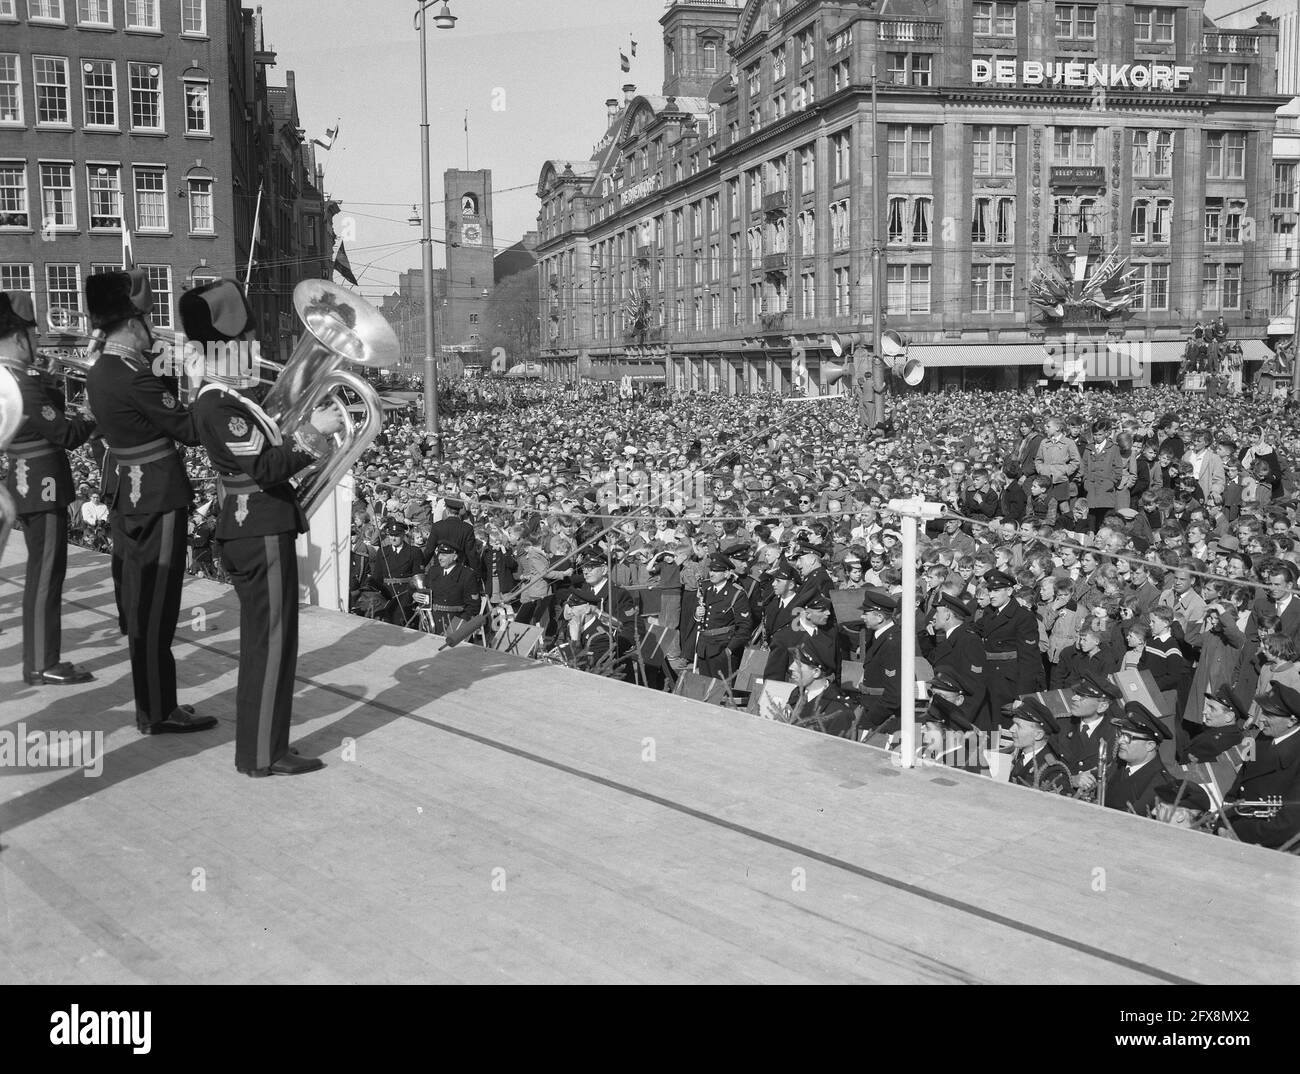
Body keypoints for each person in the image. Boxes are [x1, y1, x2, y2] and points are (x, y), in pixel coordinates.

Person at [181, 278, 341, 776]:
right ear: (223, 349)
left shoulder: (224, 398)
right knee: (271, 644)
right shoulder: (221, 405)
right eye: (247, 343)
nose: (255, 350)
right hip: (259, 530)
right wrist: (317, 432)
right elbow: (267, 468)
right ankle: (263, 754)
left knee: (265, 643)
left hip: (255, 527)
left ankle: (261, 748)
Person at [83, 269, 215, 735]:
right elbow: (192, 431)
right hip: (156, 496)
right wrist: (199, 384)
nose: (152, 328)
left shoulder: (102, 370)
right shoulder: (133, 375)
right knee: (156, 612)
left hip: (129, 495)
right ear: (131, 321)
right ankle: (158, 711)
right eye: (145, 319)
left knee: (141, 607)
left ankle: (153, 707)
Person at [0, 290, 96, 685]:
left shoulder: (18, 379)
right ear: (21, 336)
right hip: (44, 485)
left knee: (42, 575)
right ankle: (42, 663)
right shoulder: (21, 382)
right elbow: (66, 433)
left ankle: (41, 660)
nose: (37, 343)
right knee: (46, 577)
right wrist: (97, 414)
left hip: (27, 481)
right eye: (34, 335)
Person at [1220, 683, 1300, 849]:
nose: (1261, 719)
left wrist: (1237, 832)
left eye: (1269, 714)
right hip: (1235, 827)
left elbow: (1288, 823)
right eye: (1263, 711)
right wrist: (1223, 821)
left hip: (1268, 845)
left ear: (1292, 721)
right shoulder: (1262, 738)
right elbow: (1241, 780)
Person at [1104, 702, 1175, 814]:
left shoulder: (1161, 784)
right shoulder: (1119, 763)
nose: (1120, 740)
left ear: (1150, 746)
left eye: (1128, 737)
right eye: (1121, 734)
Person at [693, 551, 753, 678]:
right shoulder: (707, 589)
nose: (712, 573)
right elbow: (704, 618)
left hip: (722, 647)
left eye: (717, 570)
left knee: (722, 691)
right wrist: (697, 615)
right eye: (711, 570)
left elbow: (744, 627)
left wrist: (730, 649)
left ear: (726, 573)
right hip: (704, 647)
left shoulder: (736, 593)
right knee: (705, 686)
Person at [784, 640, 857, 737]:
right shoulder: (796, 693)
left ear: (816, 672)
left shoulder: (839, 711)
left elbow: (837, 750)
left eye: (798, 664)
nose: (791, 667)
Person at [1006, 698, 1073, 795]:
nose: (1011, 729)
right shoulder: (1021, 756)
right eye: (1013, 724)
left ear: (1038, 735)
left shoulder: (1053, 771)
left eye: (1018, 726)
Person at [421, 539, 483, 636]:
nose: (440, 558)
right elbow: (425, 594)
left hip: (454, 623)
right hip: (432, 623)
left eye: (444, 555)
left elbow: (473, 607)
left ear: (455, 556)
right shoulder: (433, 571)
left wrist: (457, 627)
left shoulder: (467, 574)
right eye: (439, 554)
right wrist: (416, 595)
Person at [370, 520, 423, 625]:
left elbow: (418, 577)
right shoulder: (383, 551)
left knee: (401, 623)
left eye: (397, 535)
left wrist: (414, 594)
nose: (393, 538)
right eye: (391, 535)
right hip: (386, 595)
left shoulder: (414, 552)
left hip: (405, 594)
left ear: (403, 535)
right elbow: (377, 576)